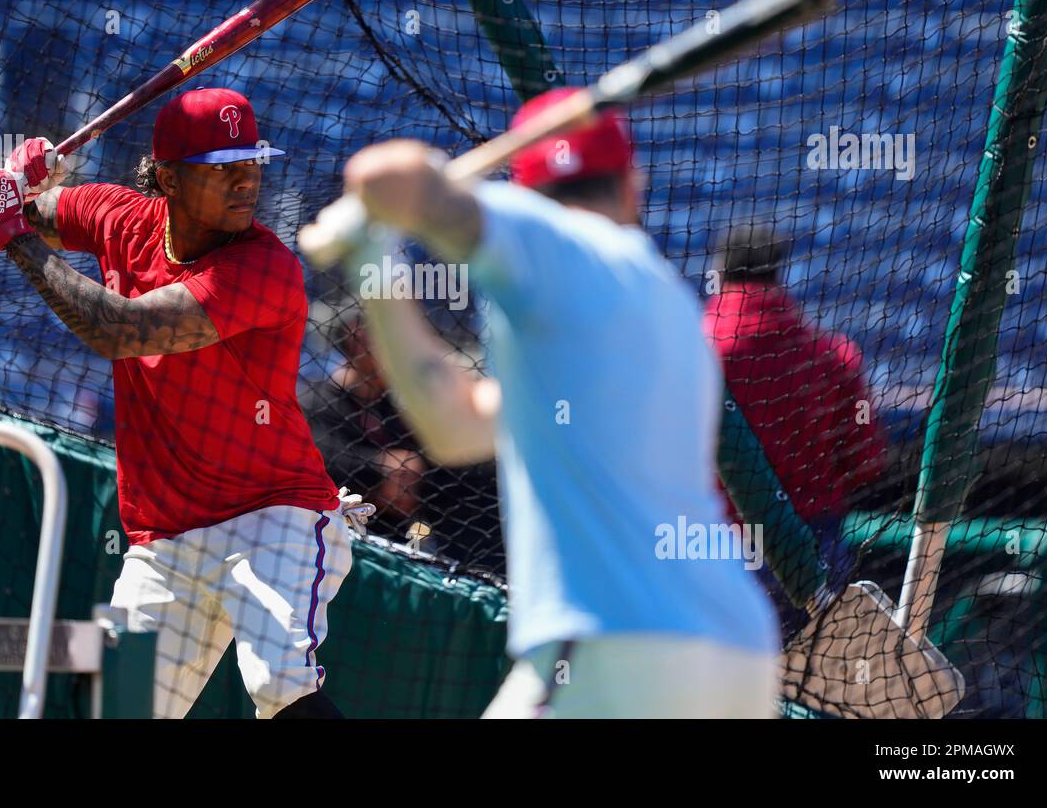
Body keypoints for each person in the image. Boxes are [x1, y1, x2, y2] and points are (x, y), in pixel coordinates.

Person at [328, 88, 781, 717]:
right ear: (633, 185)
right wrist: (372, 257)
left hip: (613, 641)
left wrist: (377, 211)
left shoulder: (553, 239)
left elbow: (385, 174)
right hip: (736, 653)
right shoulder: (666, 301)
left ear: (526, 188)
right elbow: (454, 425)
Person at [0, 87, 371, 719]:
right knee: (123, 704)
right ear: (168, 179)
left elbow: (122, 329)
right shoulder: (121, 217)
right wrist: (15, 181)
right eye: (223, 169)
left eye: (251, 164)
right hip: (168, 535)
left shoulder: (265, 268)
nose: (245, 183)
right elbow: (13, 210)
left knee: (279, 679)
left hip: (274, 514)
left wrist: (12, 230)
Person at [704, 222, 887, 633]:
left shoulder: (692, 351)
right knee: (811, 692)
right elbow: (867, 461)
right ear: (777, 272)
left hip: (707, 551)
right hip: (812, 557)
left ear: (718, 272)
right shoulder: (834, 355)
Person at [298, 304, 430, 546]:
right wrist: (381, 470)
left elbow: (422, 470)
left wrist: (399, 476)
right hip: (326, 533)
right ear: (354, 341)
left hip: (395, 538)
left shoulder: (393, 405)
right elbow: (323, 463)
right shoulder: (316, 400)